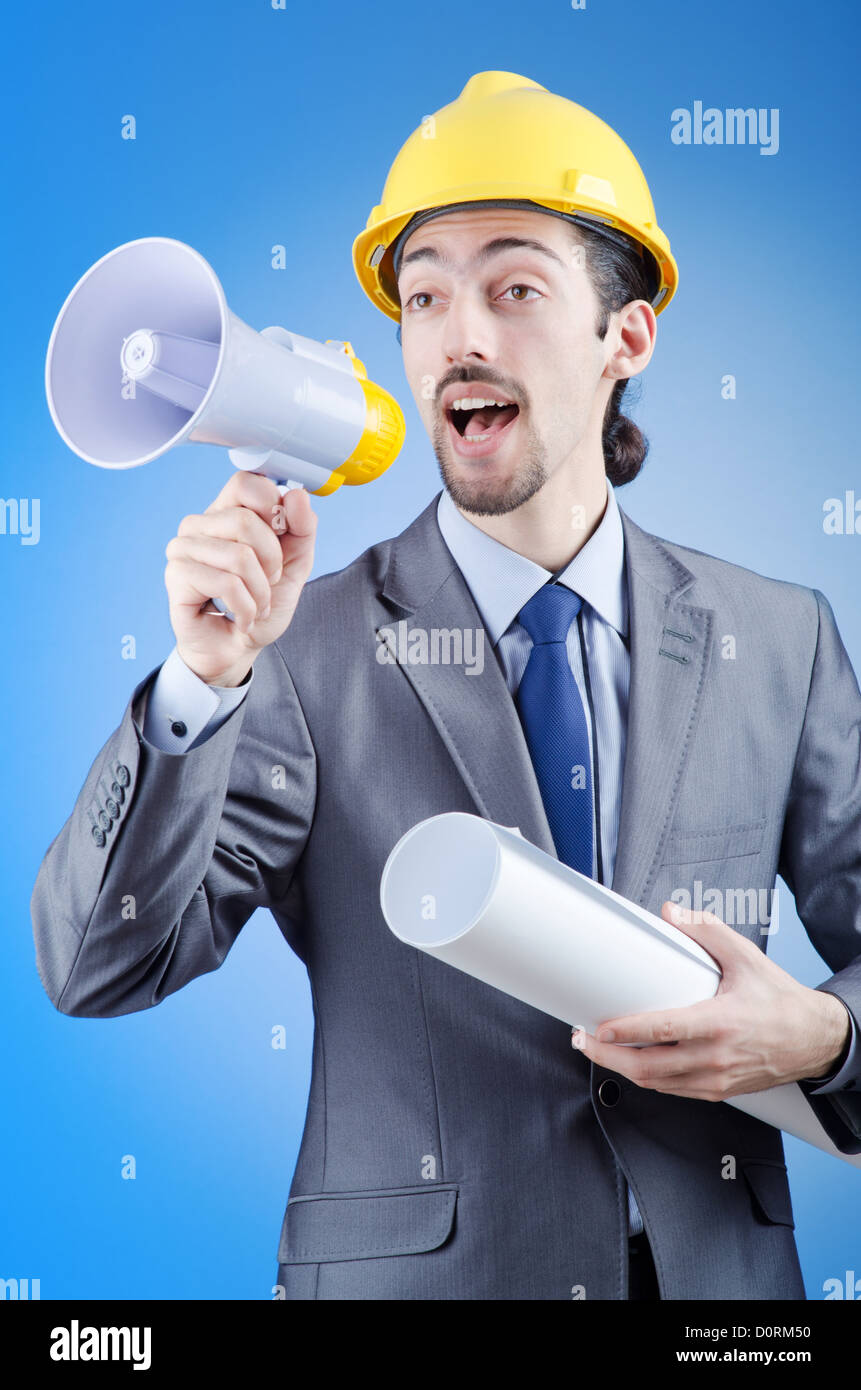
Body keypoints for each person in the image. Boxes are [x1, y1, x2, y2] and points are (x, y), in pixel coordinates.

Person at [32, 70, 861, 1301]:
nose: (457, 335)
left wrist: (826, 1037)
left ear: (625, 335)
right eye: (423, 296)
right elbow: (99, 963)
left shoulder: (778, 636)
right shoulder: (298, 654)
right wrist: (200, 683)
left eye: (514, 287)